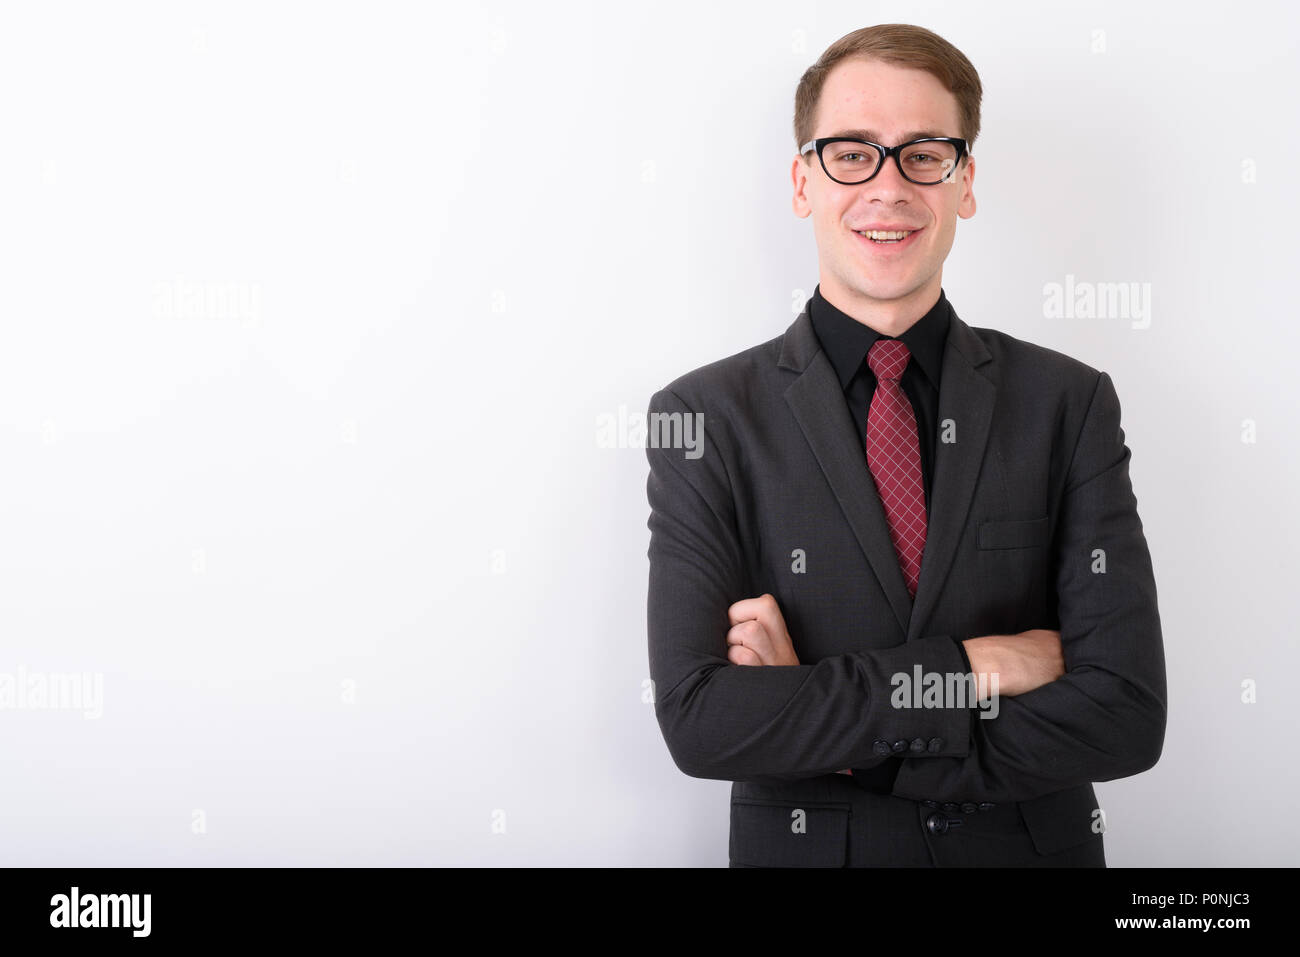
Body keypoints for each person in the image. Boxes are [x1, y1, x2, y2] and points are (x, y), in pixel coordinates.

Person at [643, 23, 1166, 867]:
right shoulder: (702, 418)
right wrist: (969, 666)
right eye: (852, 153)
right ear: (801, 181)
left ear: (964, 183)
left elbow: (1126, 713)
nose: (887, 187)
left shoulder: (1069, 403)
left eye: (924, 153)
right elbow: (702, 722)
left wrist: (838, 731)